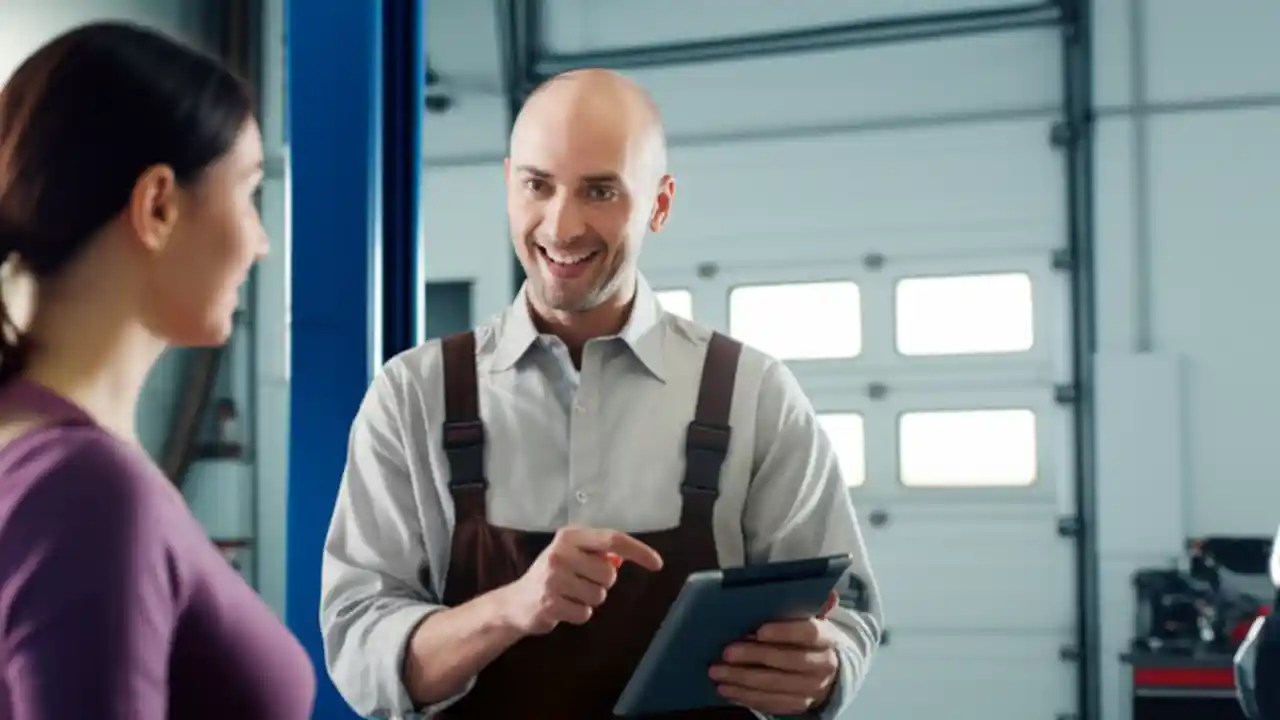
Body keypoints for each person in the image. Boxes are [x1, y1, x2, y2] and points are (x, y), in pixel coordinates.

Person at [321, 68, 883, 718]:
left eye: (600, 191)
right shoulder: (413, 398)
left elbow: (850, 616)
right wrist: (512, 606)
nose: (562, 225)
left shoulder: (753, 395)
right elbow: (359, 648)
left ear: (660, 203)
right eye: (538, 185)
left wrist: (823, 669)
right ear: (509, 184)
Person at [0, 21, 315, 718]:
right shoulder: (84, 490)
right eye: (249, 193)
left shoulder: (37, 452)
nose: (261, 244)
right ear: (159, 206)